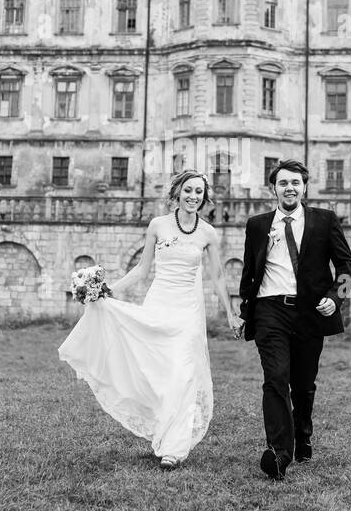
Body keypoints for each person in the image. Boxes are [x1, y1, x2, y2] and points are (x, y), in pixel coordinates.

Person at [57, 171, 241, 469]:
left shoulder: (208, 233)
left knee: (183, 375)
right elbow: (142, 270)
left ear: (204, 197)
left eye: (199, 192)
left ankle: (174, 448)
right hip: (159, 304)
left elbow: (217, 277)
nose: (193, 196)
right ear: (177, 193)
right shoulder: (158, 225)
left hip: (187, 313)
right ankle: (162, 425)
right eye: (188, 190)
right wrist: (106, 291)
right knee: (157, 373)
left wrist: (231, 313)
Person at [238, 160, 351, 480]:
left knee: (303, 386)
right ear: (273, 188)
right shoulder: (258, 225)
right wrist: (244, 312)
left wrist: (336, 298)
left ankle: (303, 434)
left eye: (295, 182)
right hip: (269, 310)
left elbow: (347, 268)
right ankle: (279, 453)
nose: (289, 188)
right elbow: (249, 273)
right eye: (282, 183)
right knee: (275, 378)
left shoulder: (324, 221)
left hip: (309, 312)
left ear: (304, 187)